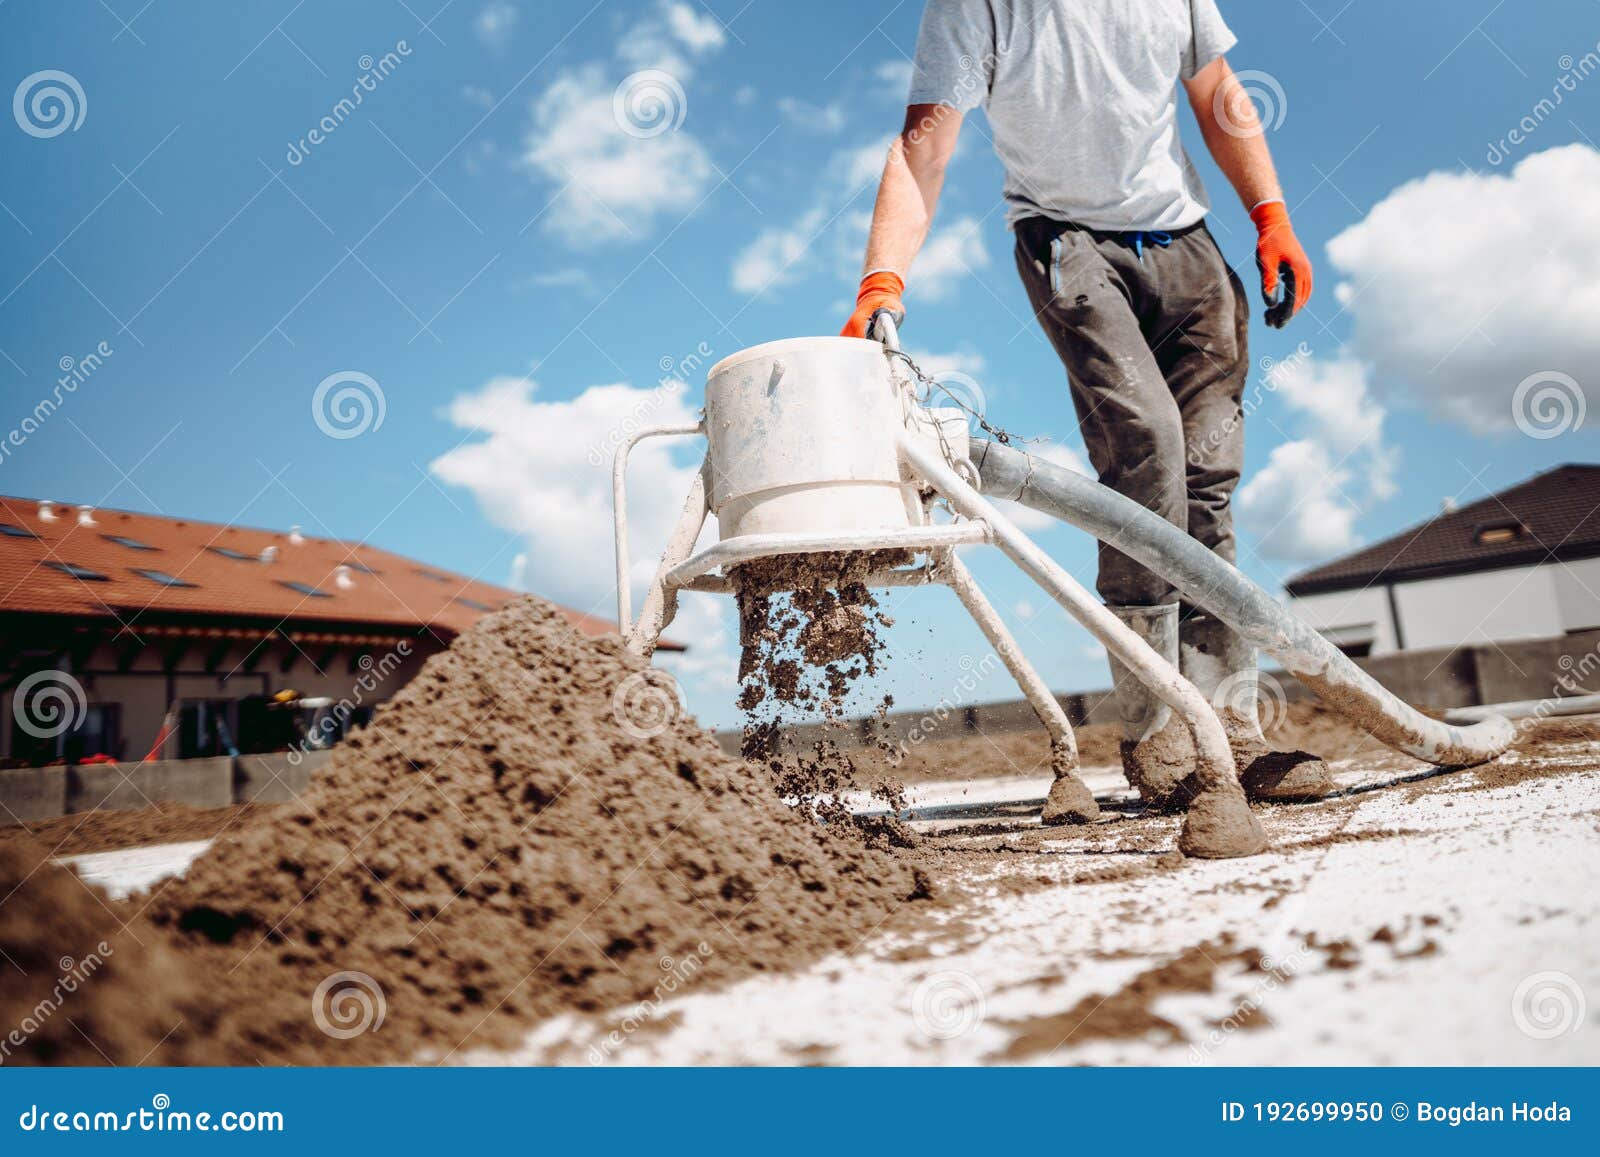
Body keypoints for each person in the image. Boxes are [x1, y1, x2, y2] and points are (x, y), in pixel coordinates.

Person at [845, 0, 1333, 821]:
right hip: (1068, 243)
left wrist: (1270, 212)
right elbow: (924, 144)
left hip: (1188, 246)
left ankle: (1234, 730)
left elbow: (1215, 93)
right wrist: (882, 281)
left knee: (1209, 472)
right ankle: (1157, 731)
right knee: (1145, 447)